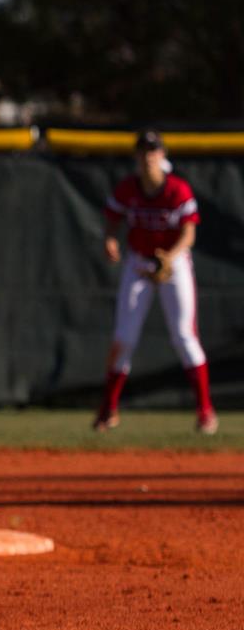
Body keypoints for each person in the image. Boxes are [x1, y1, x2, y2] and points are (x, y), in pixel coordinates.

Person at [93, 130, 218, 435]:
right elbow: (113, 219)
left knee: (184, 336)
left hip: (173, 263)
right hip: (138, 262)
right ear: (136, 156)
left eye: (154, 150)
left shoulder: (176, 189)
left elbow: (189, 232)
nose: (148, 156)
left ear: (163, 156)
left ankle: (205, 412)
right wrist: (110, 239)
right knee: (123, 338)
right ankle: (108, 410)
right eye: (143, 151)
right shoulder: (128, 189)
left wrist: (170, 257)